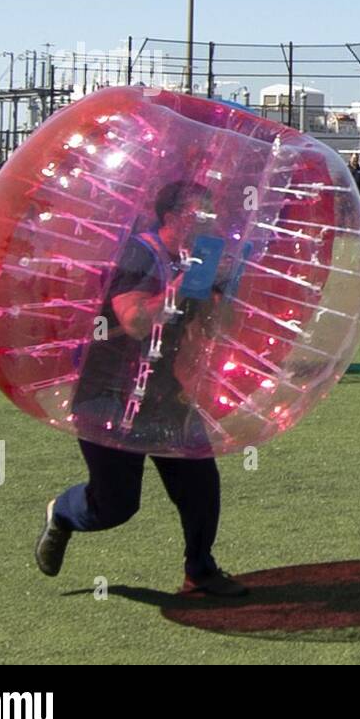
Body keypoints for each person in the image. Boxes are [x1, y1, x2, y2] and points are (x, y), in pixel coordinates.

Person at [34, 180, 247, 597]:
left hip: (162, 393)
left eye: (209, 215)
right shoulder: (138, 253)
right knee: (115, 506)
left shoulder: (194, 258)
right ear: (171, 217)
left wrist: (223, 289)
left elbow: (214, 330)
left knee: (200, 482)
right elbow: (134, 321)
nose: (207, 223)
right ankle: (62, 512)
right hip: (109, 394)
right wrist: (186, 283)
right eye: (198, 215)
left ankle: (200, 571)